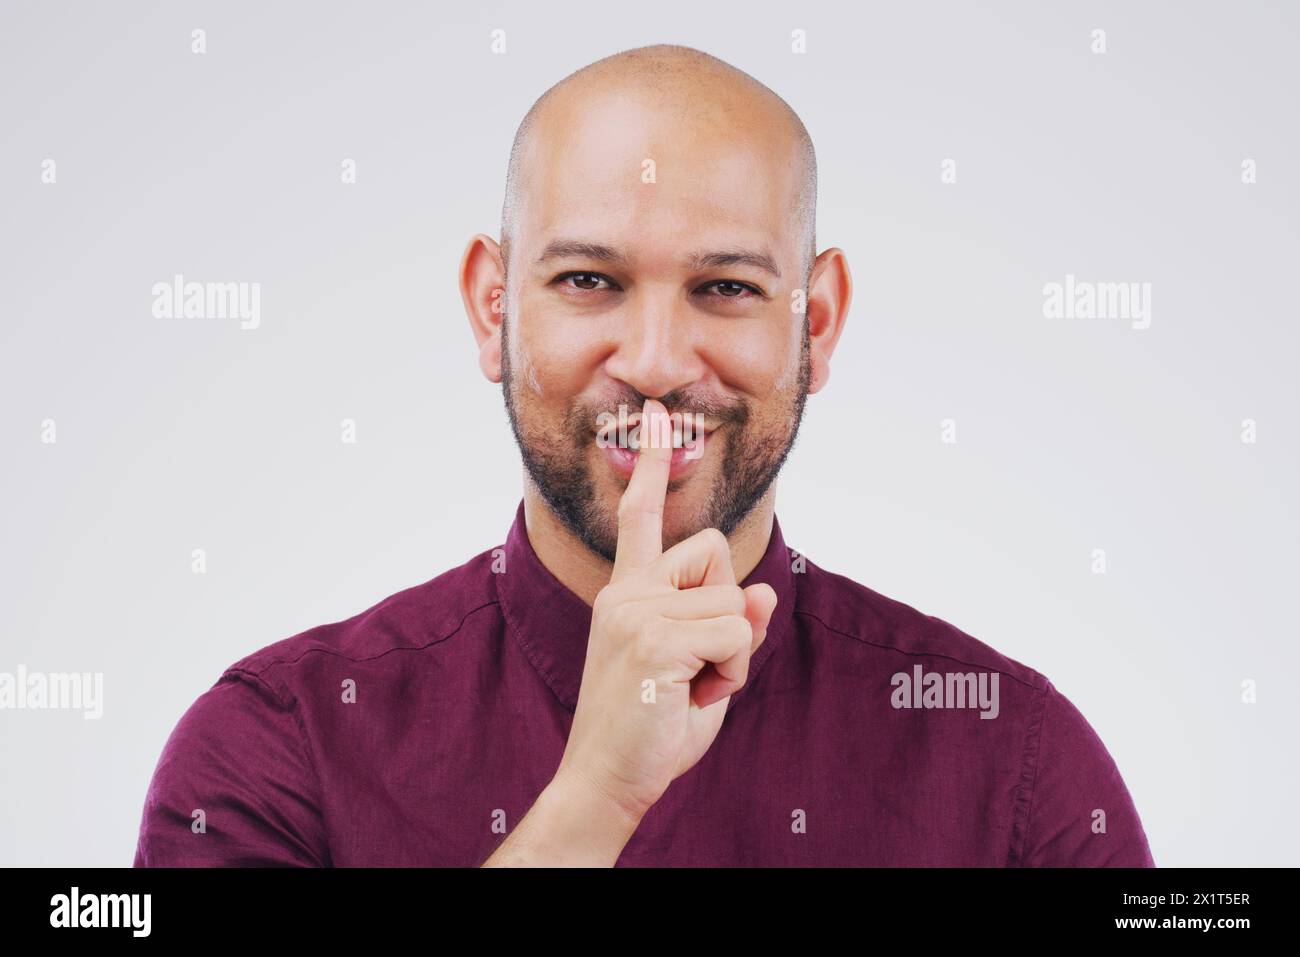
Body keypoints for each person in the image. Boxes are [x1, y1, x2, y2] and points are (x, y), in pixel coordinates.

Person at [133, 43, 1154, 867]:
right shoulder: (276, 748)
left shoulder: (1013, 762)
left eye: (726, 288)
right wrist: (594, 797)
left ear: (820, 323)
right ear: (493, 311)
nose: (657, 363)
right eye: (587, 281)